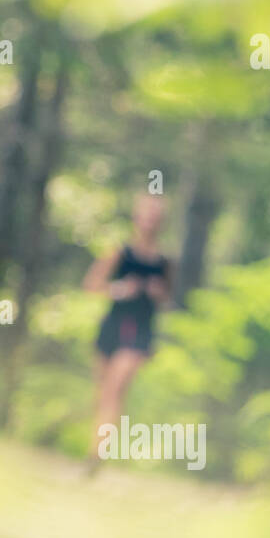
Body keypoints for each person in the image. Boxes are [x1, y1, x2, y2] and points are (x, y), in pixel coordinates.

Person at [83, 193, 173, 475]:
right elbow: (92, 285)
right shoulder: (119, 252)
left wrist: (159, 294)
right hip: (113, 325)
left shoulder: (164, 262)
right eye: (146, 214)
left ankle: (96, 456)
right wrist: (121, 289)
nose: (149, 221)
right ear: (136, 217)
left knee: (116, 388)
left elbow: (169, 300)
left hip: (140, 332)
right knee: (103, 394)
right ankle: (96, 448)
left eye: (155, 216)